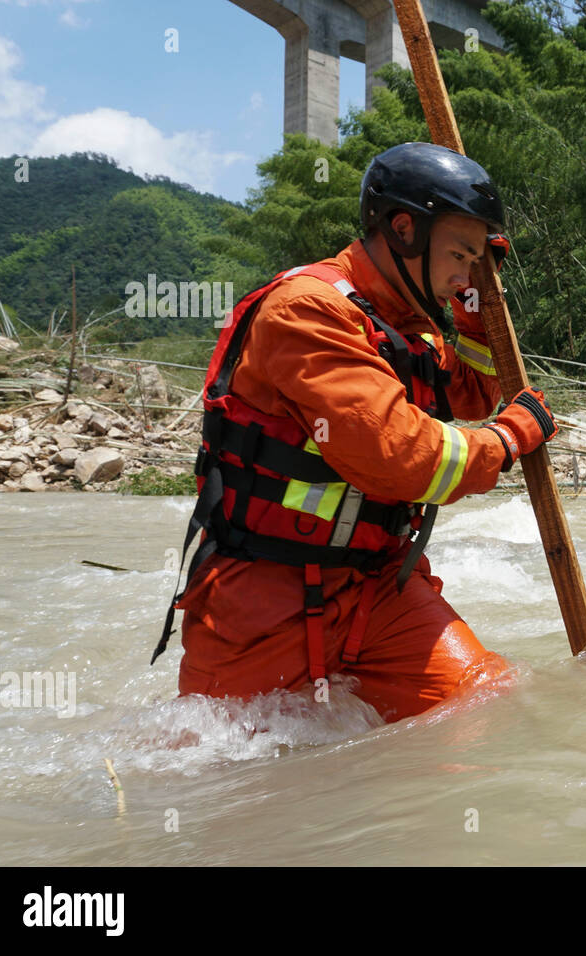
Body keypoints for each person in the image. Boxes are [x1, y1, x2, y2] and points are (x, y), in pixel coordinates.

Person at [152, 142, 558, 723]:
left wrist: (474, 306)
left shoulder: (405, 331)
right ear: (404, 230)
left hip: (381, 588)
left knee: (488, 710)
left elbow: (468, 392)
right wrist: (508, 440)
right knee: (231, 786)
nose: (466, 272)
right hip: (264, 598)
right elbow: (404, 456)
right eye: (460, 256)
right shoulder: (308, 311)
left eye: (476, 261)